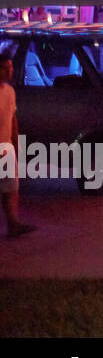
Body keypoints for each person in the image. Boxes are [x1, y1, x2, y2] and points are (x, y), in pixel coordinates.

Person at [0, 54, 35, 238]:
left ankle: (13, 223)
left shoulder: (10, 91)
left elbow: (12, 118)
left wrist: (15, 142)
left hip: (6, 148)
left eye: (11, 67)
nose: (9, 71)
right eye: (5, 68)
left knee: (11, 188)